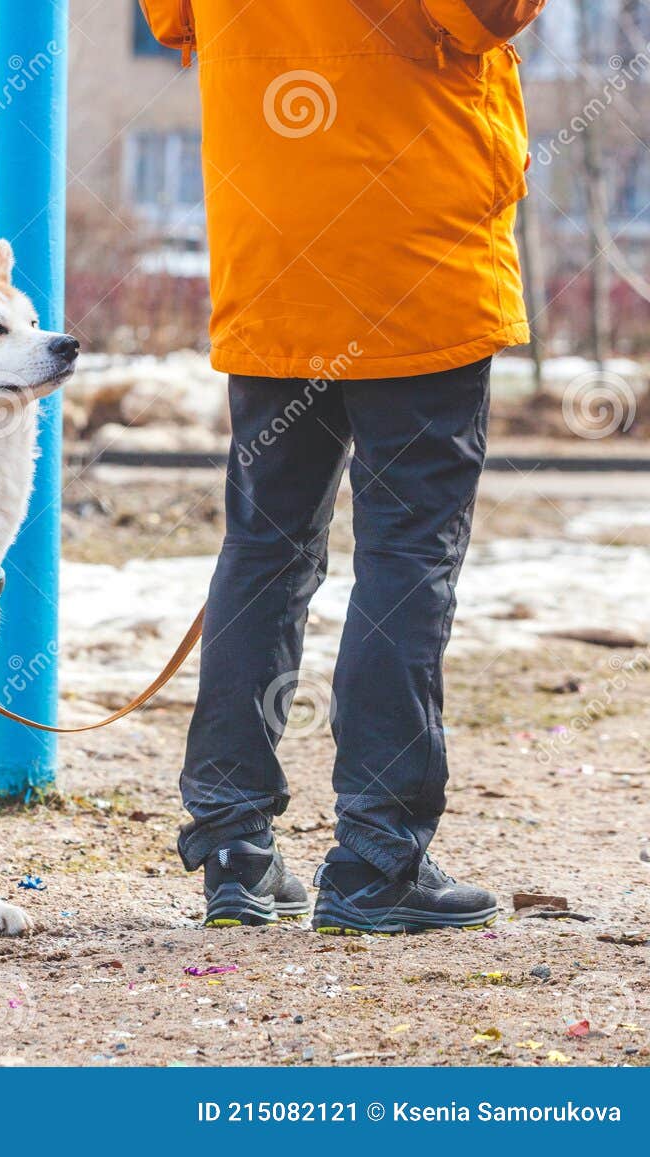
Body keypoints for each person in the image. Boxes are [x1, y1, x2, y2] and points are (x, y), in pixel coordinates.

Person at [135, 0, 546, 932]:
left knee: (264, 548)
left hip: (272, 257)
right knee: (407, 552)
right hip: (414, 259)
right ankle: (377, 857)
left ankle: (233, 846)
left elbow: (171, 18)